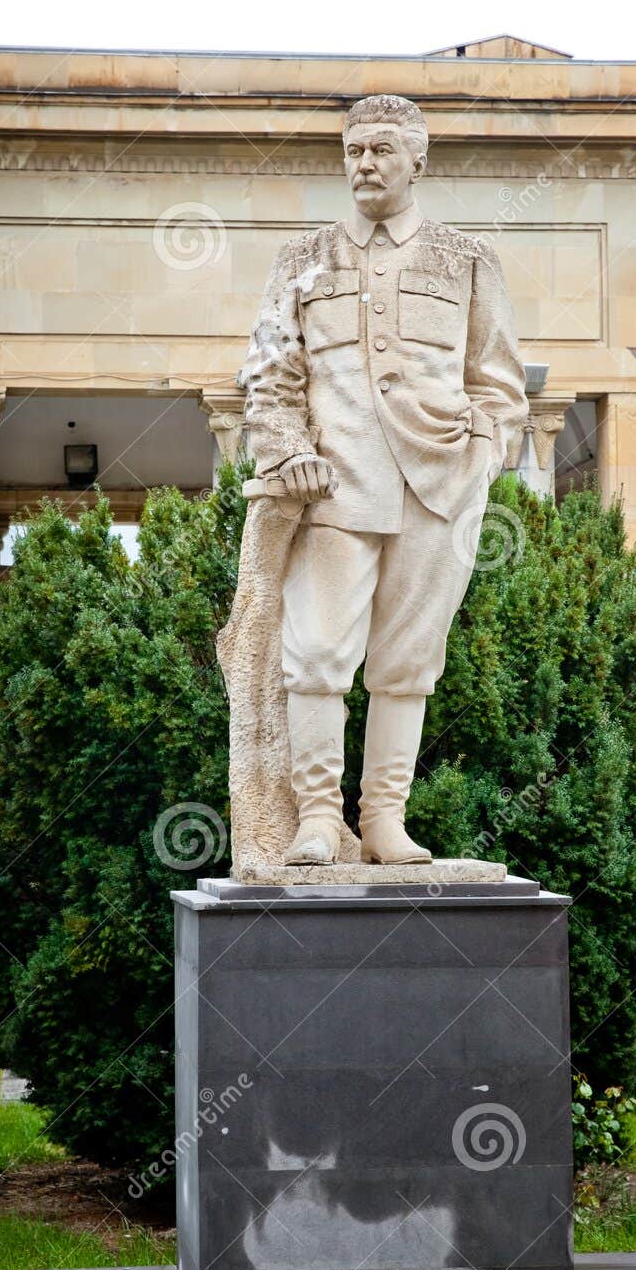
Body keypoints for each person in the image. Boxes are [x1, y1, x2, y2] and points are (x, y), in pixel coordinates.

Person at [240, 93, 529, 865]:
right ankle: (313, 817)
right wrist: (285, 449)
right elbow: (269, 374)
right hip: (333, 484)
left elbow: (497, 381)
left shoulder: (467, 260)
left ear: (416, 160)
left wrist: (482, 452)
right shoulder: (301, 260)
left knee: (407, 661)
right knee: (318, 653)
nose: (363, 163)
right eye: (354, 150)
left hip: (438, 486)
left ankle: (382, 821)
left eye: (380, 150)